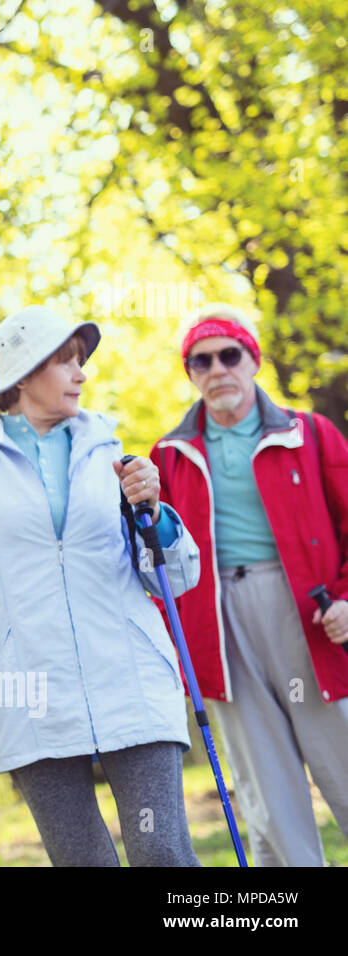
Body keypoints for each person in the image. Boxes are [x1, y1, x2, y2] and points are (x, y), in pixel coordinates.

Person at [0, 305, 203, 866]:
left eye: (81, 362)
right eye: (66, 362)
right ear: (23, 375)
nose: (81, 375)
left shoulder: (110, 451)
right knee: (83, 860)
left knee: (163, 853)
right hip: (27, 697)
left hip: (130, 680)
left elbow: (176, 577)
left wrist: (154, 513)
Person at [150, 303, 348, 866]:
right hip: (217, 620)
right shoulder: (169, 454)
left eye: (228, 355)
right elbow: (158, 558)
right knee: (263, 780)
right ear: (190, 373)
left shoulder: (308, 432)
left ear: (252, 361)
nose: (217, 370)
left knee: (340, 751)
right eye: (201, 361)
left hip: (305, 612)